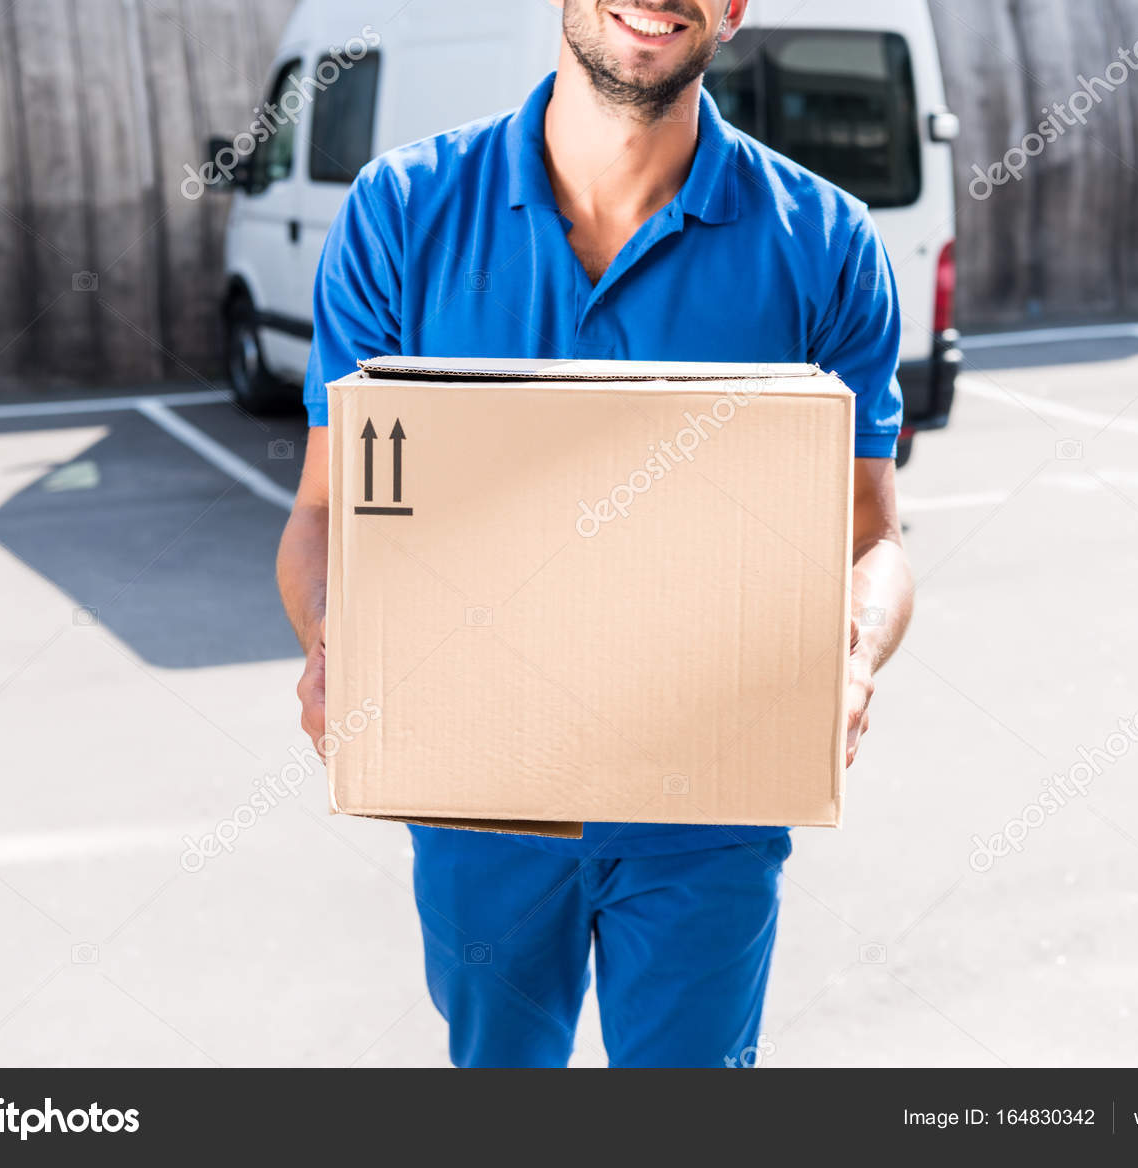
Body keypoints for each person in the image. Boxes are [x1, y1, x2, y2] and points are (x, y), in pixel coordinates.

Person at [276, 0, 914, 1068]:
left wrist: (851, 652)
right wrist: (336, 640)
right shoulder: (404, 211)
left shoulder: (827, 244)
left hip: (710, 798)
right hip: (479, 796)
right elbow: (322, 513)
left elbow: (874, 538)